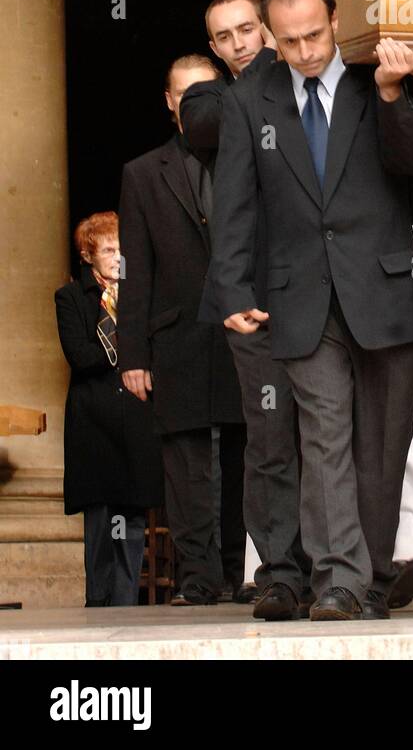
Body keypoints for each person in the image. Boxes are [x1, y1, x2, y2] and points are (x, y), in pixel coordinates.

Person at [210, 0, 413, 621]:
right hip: (297, 296)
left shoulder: (378, 80)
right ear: (271, 38)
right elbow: (233, 205)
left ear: (335, 21)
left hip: (386, 287)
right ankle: (336, 579)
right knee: (325, 436)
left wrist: (396, 96)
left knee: (383, 446)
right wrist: (230, 286)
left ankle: (367, 576)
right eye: (289, 41)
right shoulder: (251, 102)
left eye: (313, 35)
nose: (305, 51)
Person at [180, 0, 307, 621]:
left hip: (318, 290)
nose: (239, 43)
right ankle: (281, 572)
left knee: (333, 439)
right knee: (271, 440)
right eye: (225, 36)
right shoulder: (215, 99)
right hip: (255, 302)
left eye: (248, 29)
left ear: (268, 25)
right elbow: (199, 119)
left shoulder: (316, 88)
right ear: (214, 47)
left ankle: (341, 567)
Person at [117, 55, 246, 605]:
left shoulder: (250, 157)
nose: (194, 103)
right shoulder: (142, 172)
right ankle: (199, 578)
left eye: (207, 92)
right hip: (178, 336)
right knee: (186, 463)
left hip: (247, 330)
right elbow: (134, 267)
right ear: (169, 101)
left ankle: (243, 574)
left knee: (249, 456)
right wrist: (132, 354)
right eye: (184, 94)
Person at [55, 212, 163, 606]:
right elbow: (80, 356)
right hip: (93, 422)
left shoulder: (139, 297)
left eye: (122, 249)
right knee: (101, 521)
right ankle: (98, 603)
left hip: (134, 417)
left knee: (131, 517)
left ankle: (126, 603)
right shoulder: (70, 298)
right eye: (109, 249)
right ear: (88, 255)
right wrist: (127, 347)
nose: (118, 257)